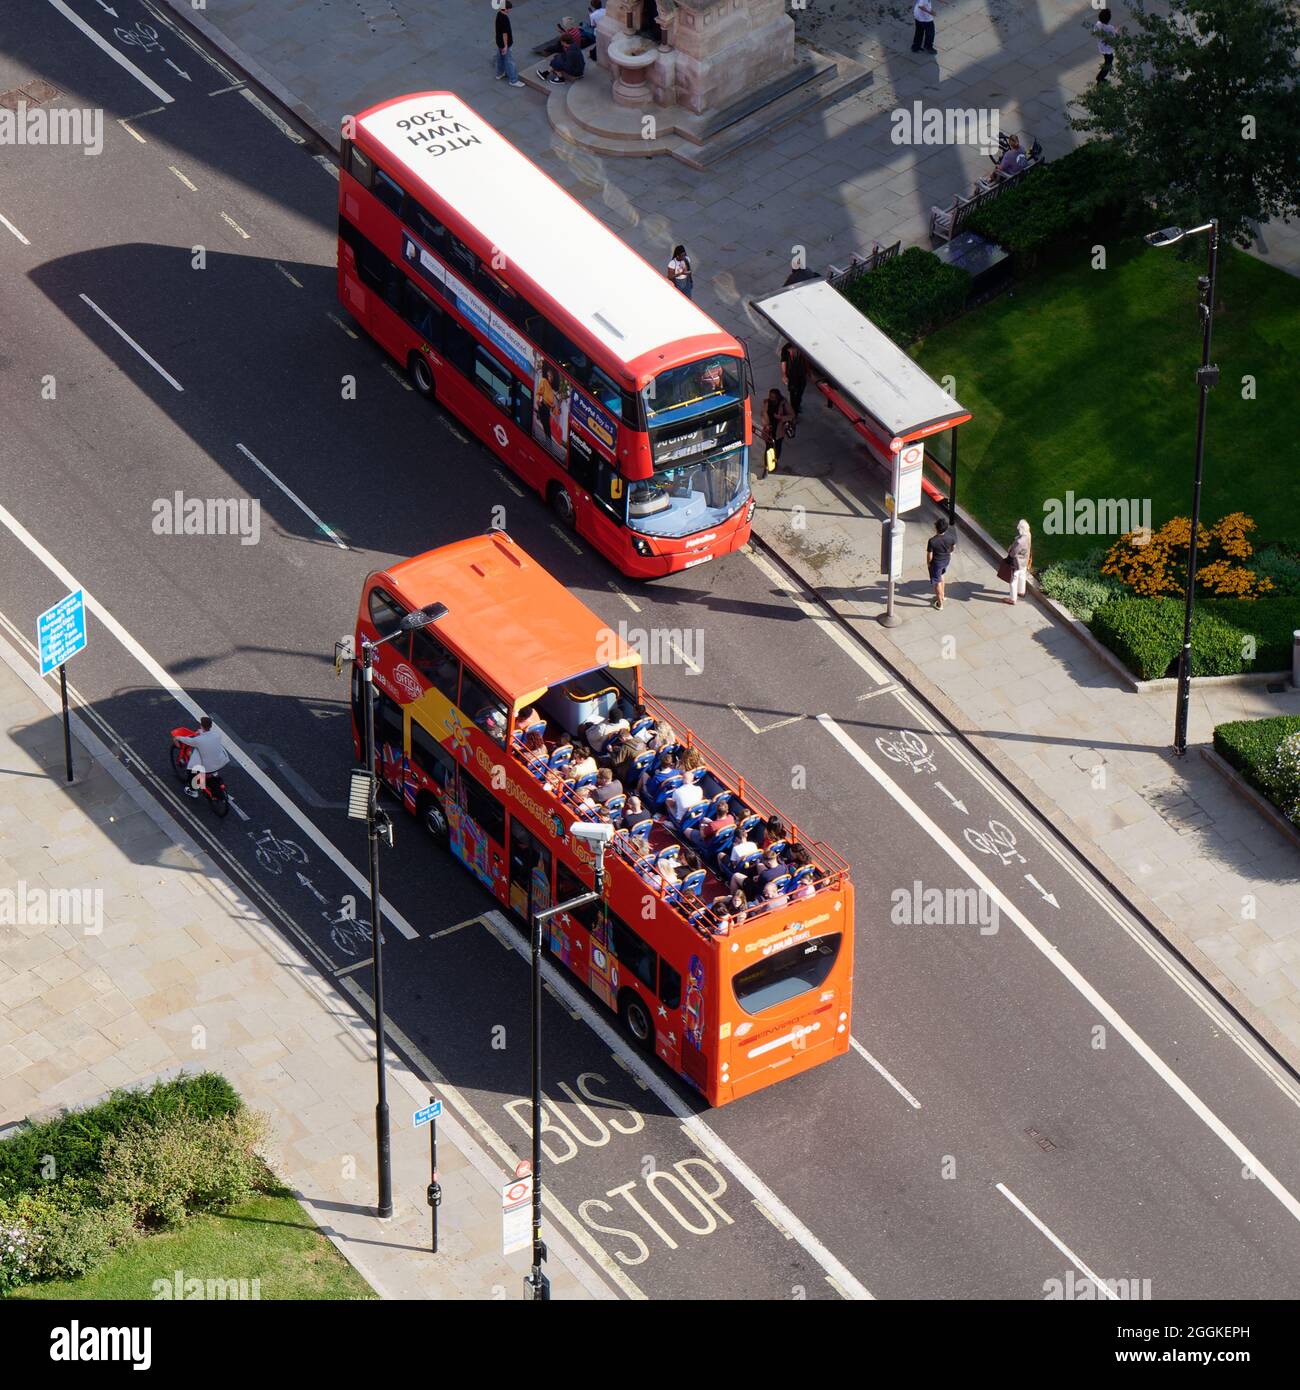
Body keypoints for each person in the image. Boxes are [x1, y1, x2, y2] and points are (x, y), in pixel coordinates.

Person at [178, 716, 230, 798]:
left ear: (201, 725)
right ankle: (211, 776)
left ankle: (193, 791)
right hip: (221, 762)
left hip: (209, 767)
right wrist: (201, 732)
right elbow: (208, 738)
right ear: (210, 726)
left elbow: (188, 741)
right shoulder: (217, 735)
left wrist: (177, 737)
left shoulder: (198, 740)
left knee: (191, 772)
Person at [760, 388, 795, 473]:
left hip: (779, 430)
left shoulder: (783, 403)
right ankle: (767, 466)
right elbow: (763, 415)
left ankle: (774, 463)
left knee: (777, 448)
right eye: (770, 396)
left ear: (777, 397)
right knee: (768, 448)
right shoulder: (767, 403)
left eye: (773, 397)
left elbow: (792, 415)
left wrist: (781, 418)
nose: (771, 398)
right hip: (769, 430)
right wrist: (766, 425)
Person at [926, 517, 957, 610]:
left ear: (936, 528)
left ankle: (940, 604)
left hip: (936, 564)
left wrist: (928, 563)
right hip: (946, 560)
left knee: (937, 583)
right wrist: (950, 553)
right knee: (942, 575)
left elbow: (929, 555)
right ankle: (943, 595)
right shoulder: (951, 537)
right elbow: (953, 547)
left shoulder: (932, 541)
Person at [494, 1, 526, 87]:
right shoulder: (505, 19)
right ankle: (513, 80)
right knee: (510, 61)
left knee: (500, 58)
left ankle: (499, 74)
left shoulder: (498, 15)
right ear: (506, 9)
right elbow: (505, 34)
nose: (510, 10)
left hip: (499, 41)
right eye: (509, 8)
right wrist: (506, 46)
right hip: (505, 43)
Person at [1004, 518, 1032, 605]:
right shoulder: (1028, 535)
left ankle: (1012, 599)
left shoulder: (1019, 541)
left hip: (1017, 563)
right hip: (1025, 560)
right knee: (1022, 575)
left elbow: (1013, 553)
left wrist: (1010, 550)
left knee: (1013, 580)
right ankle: (1021, 591)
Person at [780, 340, 809, 416]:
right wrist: (784, 375)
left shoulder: (803, 347)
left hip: (802, 374)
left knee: (800, 392)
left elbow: (807, 361)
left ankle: (797, 404)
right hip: (792, 375)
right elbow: (783, 361)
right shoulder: (785, 349)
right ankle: (794, 412)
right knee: (793, 393)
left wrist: (809, 372)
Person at [1094, 8, 1117, 83]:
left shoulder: (1097, 24)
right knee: (1108, 63)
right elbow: (1114, 37)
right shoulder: (1110, 28)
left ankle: (1100, 77)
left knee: (1107, 61)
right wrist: (1116, 32)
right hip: (1108, 49)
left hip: (1101, 47)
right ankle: (1100, 78)